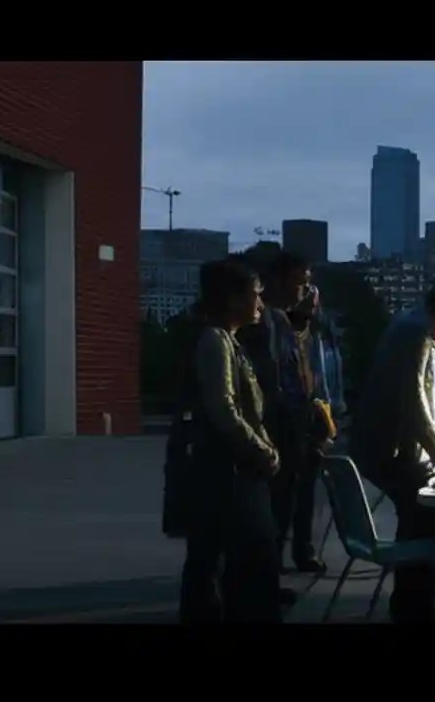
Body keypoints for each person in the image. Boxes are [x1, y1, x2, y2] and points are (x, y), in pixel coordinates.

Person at [353, 280, 435, 623]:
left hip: (419, 454)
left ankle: (423, 596)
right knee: (421, 513)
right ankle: (413, 603)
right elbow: (413, 402)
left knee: (430, 515)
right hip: (392, 450)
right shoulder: (412, 334)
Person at [179, 258, 283, 623]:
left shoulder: (229, 341)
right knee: (248, 561)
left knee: (226, 562)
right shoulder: (215, 341)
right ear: (232, 298)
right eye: (255, 294)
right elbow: (224, 408)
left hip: (234, 470)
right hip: (227, 474)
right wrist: (261, 449)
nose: (261, 304)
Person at [240, 252, 330, 575]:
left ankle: (297, 551)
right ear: (278, 283)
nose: (304, 290)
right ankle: (272, 562)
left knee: (301, 491)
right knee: (282, 495)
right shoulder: (268, 323)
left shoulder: (294, 323)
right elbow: (275, 374)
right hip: (282, 420)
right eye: (299, 283)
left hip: (302, 416)